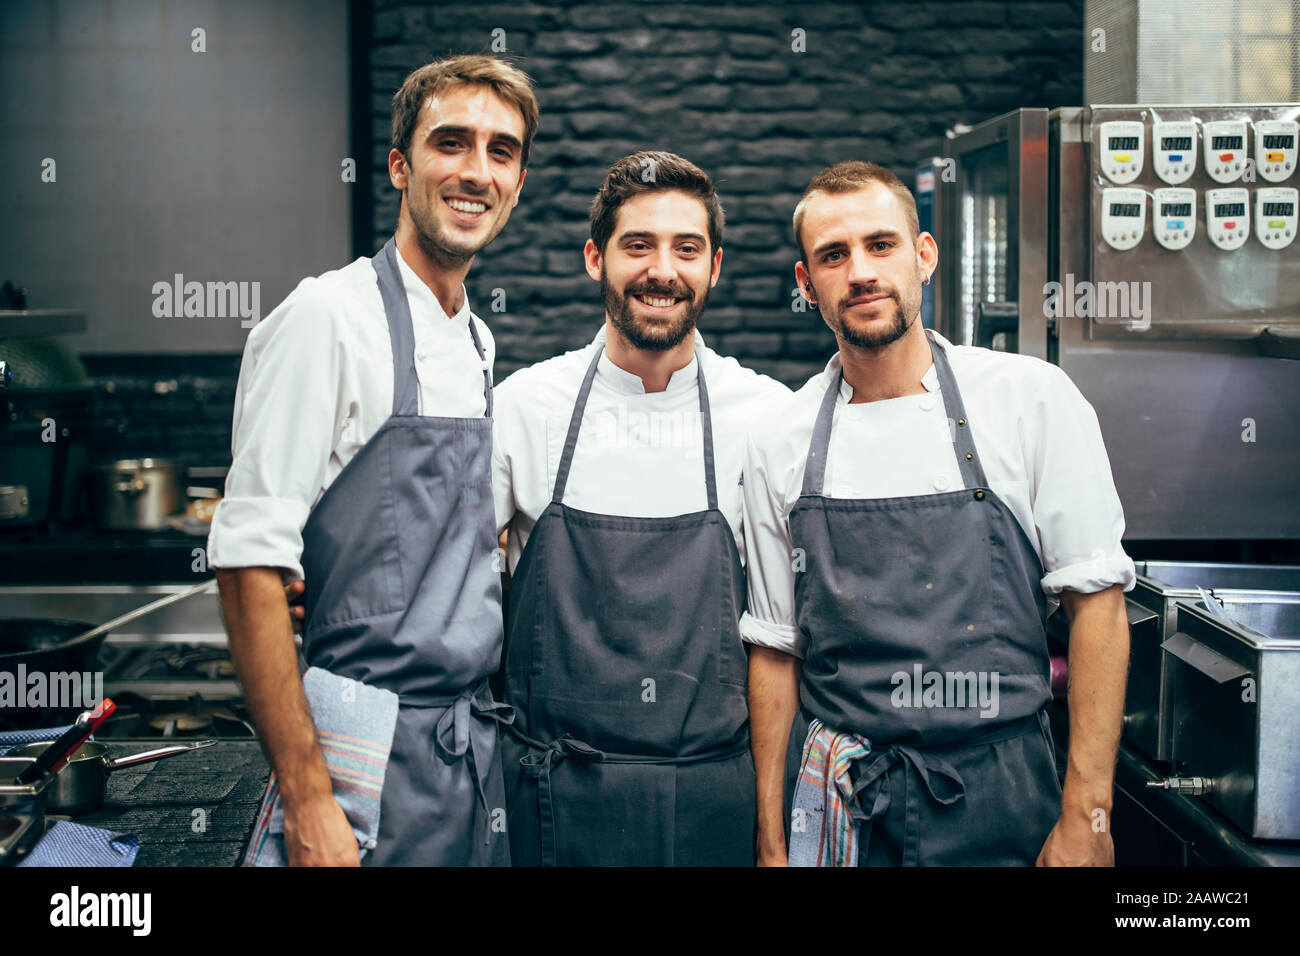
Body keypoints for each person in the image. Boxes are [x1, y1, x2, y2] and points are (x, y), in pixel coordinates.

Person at [742, 161, 1134, 867]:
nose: (860, 270)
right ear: (807, 285)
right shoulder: (781, 436)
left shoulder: (1030, 400)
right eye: (834, 255)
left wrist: (1089, 816)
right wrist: (772, 842)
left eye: (881, 245)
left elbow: (1097, 606)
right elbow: (775, 649)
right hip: (845, 797)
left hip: (1005, 793)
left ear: (924, 256)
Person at [208, 55, 538, 866]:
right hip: (362, 756)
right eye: (450, 143)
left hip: (468, 757)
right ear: (399, 165)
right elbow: (247, 558)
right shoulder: (328, 317)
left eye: (501, 151)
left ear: (519, 181)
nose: (476, 171)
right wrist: (307, 796)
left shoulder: (475, 338)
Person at [492, 151, 790, 865]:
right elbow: (451, 594)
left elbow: (781, 641)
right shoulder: (524, 409)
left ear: (714, 267)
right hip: (552, 795)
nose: (663, 270)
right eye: (638, 246)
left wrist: (773, 835)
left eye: (687, 249)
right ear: (595, 258)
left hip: (717, 800)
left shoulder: (768, 418)